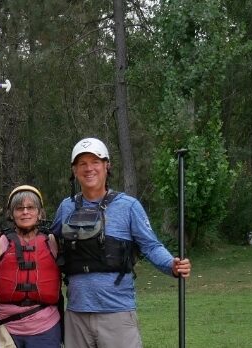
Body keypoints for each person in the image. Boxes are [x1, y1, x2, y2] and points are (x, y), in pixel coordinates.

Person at [50, 137, 192, 348]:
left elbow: (151, 246)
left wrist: (171, 264)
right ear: (74, 170)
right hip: (76, 314)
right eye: (82, 164)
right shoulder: (66, 207)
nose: (89, 169)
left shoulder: (129, 206)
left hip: (117, 313)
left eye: (95, 162)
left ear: (107, 166)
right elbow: (47, 244)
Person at [0, 185, 61, 347]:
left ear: (40, 213)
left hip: (46, 326)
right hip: (5, 327)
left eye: (31, 207)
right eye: (19, 208)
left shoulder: (53, 242)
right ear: (11, 213)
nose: (25, 212)